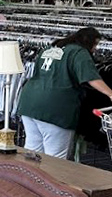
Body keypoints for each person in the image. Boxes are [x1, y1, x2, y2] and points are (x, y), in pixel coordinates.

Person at [18, 26, 112, 158]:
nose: (95, 49)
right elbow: (91, 78)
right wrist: (110, 93)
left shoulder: (50, 49)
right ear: (89, 41)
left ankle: (26, 178)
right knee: (55, 160)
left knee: (32, 153)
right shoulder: (79, 53)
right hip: (55, 109)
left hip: (29, 104)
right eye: (95, 44)